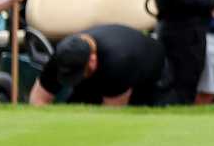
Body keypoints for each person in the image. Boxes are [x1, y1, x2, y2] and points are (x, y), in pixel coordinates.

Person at [30, 24, 164, 106]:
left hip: (150, 79)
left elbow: (111, 117)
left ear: (92, 61)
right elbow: (38, 98)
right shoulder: (62, 55)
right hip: (100, 73)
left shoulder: (118, 62)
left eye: (77, 73)